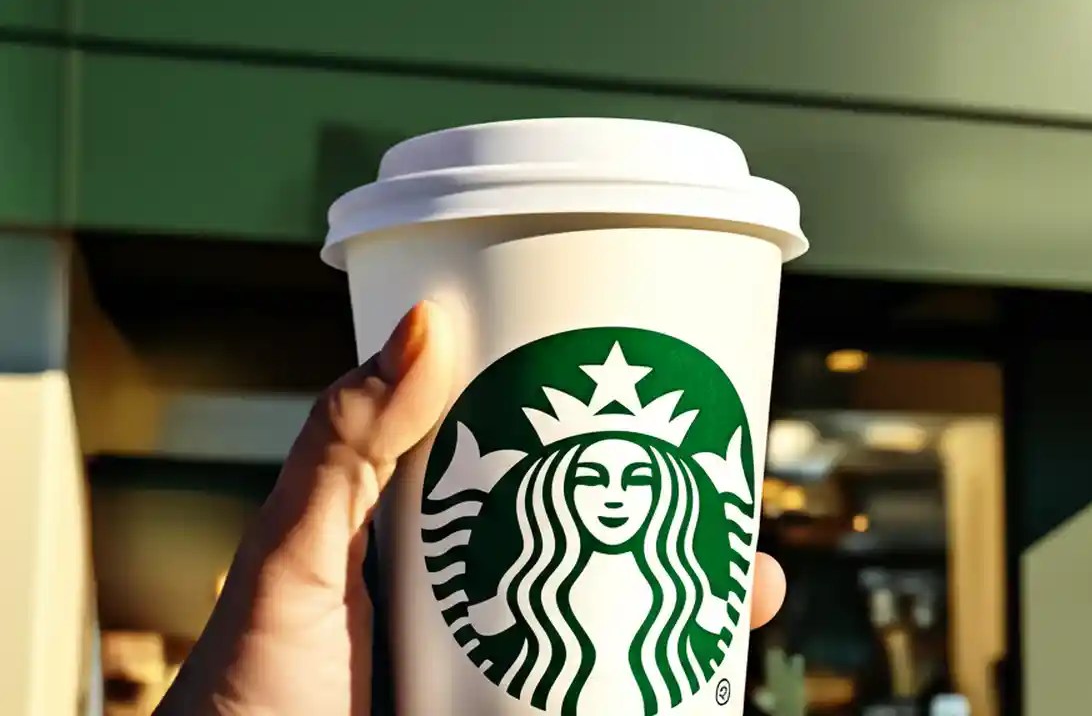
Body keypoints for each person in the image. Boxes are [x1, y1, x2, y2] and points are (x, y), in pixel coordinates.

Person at [154, 301, 788, 715]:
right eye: (591, 475)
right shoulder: (496, 610)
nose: (616, 495)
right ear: (554, 492)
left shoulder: (691, 611)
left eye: (638, 479)